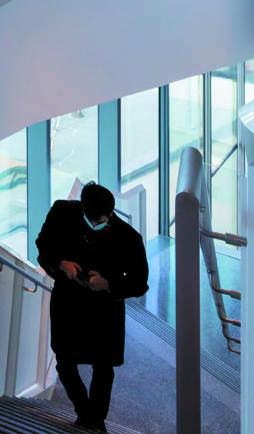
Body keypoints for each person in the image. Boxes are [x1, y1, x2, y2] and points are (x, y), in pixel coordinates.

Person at [35, 183, 148, 431]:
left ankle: (95, 420)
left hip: (105, 310)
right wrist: (61, 263)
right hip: (68, 302)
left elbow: (140, 283)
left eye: (102, 222)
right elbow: (43, 244)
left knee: (103, 367)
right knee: (64, 361)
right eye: (91, 221)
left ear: (111, 212)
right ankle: (87, 415)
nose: (96, 226)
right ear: (82, 209)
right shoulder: (62, 212)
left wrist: (108, 283)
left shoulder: (128, 237)